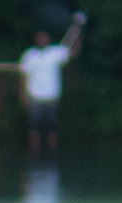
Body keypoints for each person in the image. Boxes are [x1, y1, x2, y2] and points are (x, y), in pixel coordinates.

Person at [19, 11, 85, 156]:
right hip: (35, 96)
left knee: (52, 128)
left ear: (48, 39)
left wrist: (77, 31)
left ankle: (52, 154)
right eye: (40, 37)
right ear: (36, 39)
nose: (42, 39)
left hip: (51, 95)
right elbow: (24, 75)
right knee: (34, 127)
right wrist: (23, 94)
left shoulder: (56, 52)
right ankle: (34, 153)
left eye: (44, 37)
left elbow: (74, 52)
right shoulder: (29, 55)